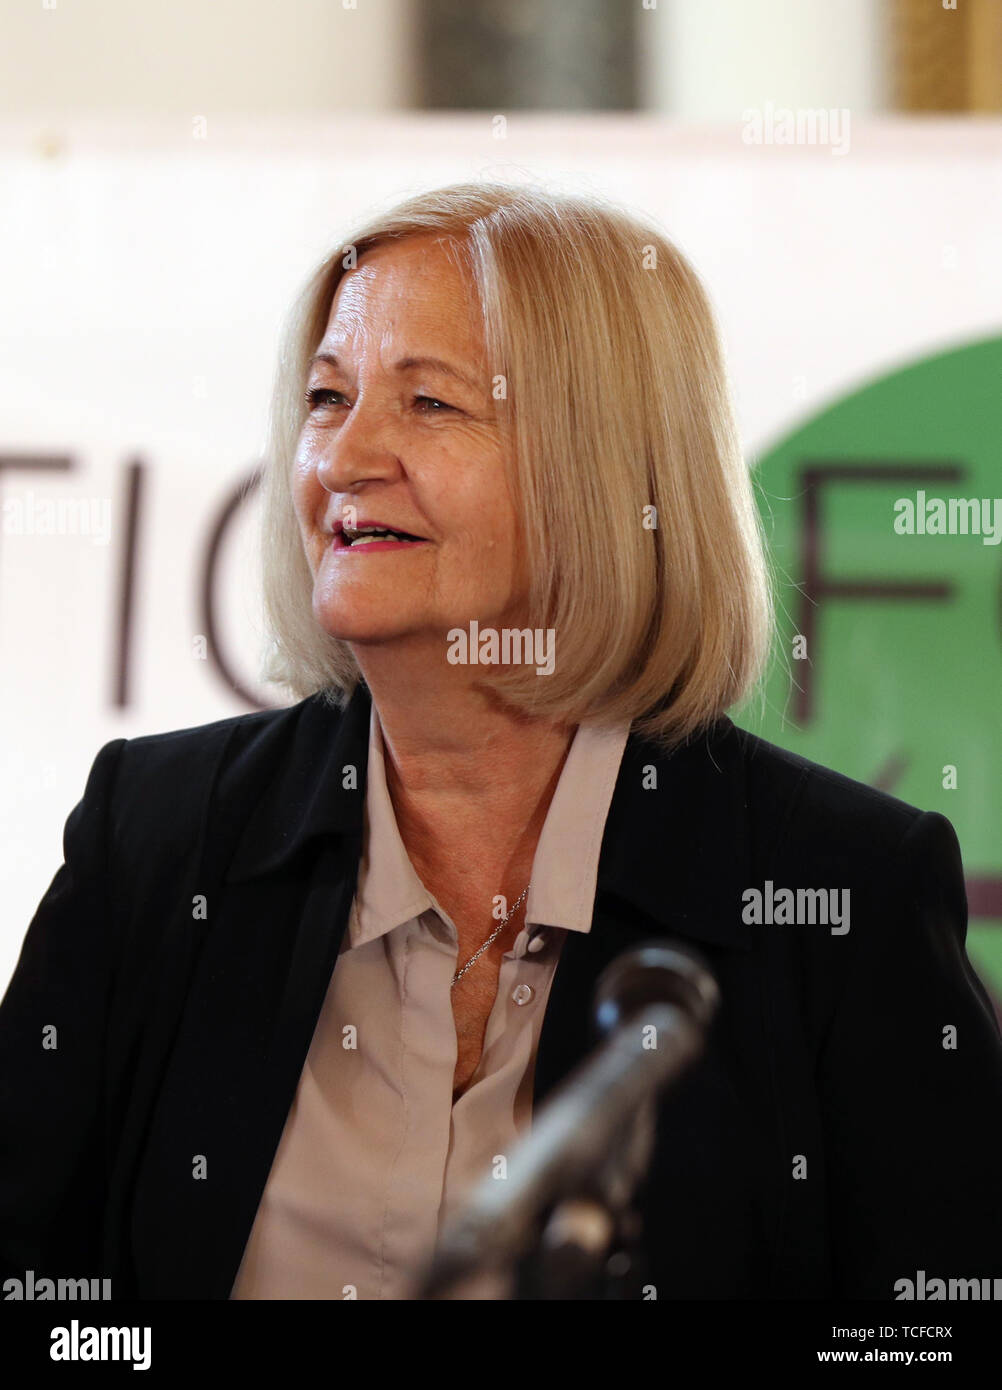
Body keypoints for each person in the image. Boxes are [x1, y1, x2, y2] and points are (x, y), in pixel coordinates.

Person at [1, 182, 1000, 1301]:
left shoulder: (842, 889)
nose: (345, 457)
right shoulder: (157, 837)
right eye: (328, 398)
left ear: (605, 474)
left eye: (430, 405)